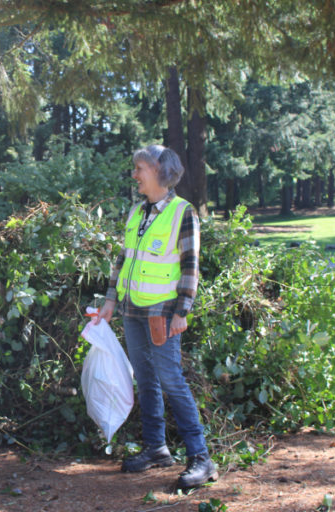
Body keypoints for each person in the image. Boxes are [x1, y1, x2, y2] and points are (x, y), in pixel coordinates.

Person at [92, 145, 218, 489]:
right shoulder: (137, 212)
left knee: (171, 380)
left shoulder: (183, 212)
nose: (135, 175)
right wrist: (110, 300)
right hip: (133, 310)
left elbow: (190, 266)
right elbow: (123, 259)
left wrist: (183, 311)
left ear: (161, 172)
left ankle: (201, 458)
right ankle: (156, 448)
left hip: (162, 313)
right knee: (145, 380)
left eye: (140, 168)